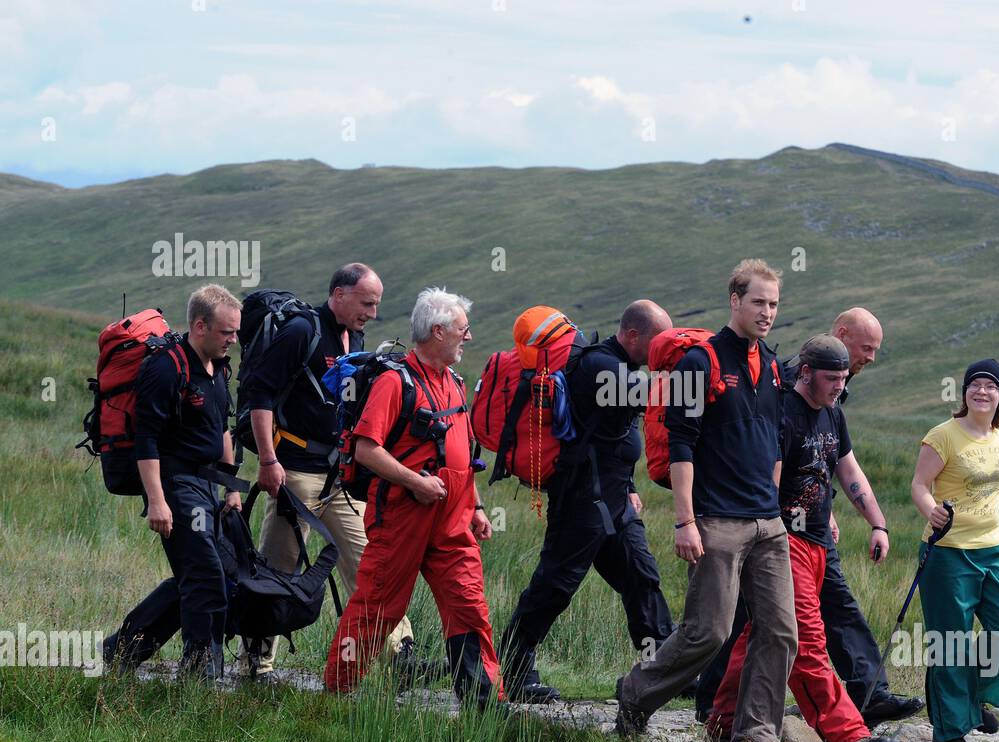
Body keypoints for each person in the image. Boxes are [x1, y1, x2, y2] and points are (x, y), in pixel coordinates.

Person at [695, 307, 924, 726]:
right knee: (759, 621)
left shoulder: (832, 402)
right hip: (778, 532)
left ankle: (870, 693)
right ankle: (720, 705)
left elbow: (838, 465)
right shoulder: (785, 399)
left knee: (837, 608)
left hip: (816, 533)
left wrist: (875, 521)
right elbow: (777, 468)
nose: (870, 358)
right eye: (867, 348)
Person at [614, 259, 797, 742]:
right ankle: (635, 695)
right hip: (717, 520)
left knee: (781, 632)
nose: (767, 312)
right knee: (708, 632)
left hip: (768, 522)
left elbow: (774, 443)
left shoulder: (774, 367)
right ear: (734, 300)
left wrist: (774, 503)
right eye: (758, 301)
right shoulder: (703, 361)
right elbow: (681, 443)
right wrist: (685, 520)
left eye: (774, 304)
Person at [237, 263, 436, 684]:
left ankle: (401, 658)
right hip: (293, 470)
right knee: (279, 568)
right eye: (366, 303)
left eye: (377, 304)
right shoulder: (300, 332)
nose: (372, 313)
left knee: (372, 563)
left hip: (340, 477)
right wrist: (269, 461)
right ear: (340, 294)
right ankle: (257, 666)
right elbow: (260, 394)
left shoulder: (357, 337)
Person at [322, 288, 503, 707]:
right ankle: (337, 689)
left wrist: (474, 506)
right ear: (438, 332)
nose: (469, 338)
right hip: (402, 516)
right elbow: (366, 449)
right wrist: (415, 482)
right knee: (380, 606)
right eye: (463, 330)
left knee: (468, 605)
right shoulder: (393, 382)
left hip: (453, 519)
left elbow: (462, 454)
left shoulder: (455, 383)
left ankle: (482, 703)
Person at [499, 300, 677, 703]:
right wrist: (698, 377)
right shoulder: (600, 366)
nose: (662, 350)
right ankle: (512, 667)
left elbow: (611, 438)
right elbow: (649, 398)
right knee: (556, 584)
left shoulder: (621, 366)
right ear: (633, 336)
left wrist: (629, 483)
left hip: (614, 500)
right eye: (658, 341)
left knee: (641, 576)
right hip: (582, 500)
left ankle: (667, 668)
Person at [110, 284, 243, 680]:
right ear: (200, 326)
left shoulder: (218, 366)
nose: (232, 341)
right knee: (205, 576)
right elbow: (146, 438)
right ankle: (199, 676)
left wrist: (231, 487)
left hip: (207, 485)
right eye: (226, 333)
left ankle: (120, 652)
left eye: (235, 333)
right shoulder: (166, 366)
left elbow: (222, 429)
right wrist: (157, 501)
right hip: (174, 484)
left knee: (217, 571)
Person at [910, 359, 999, 742]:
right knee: (952, 643)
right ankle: (947, 736)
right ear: (964, 393)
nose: (982, 391)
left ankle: (974, 697)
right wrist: (930, 510)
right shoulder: (943, 436)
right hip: (948, 552)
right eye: (975, 385)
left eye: (991, 386)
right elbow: (919, 485)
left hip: (995, 548)